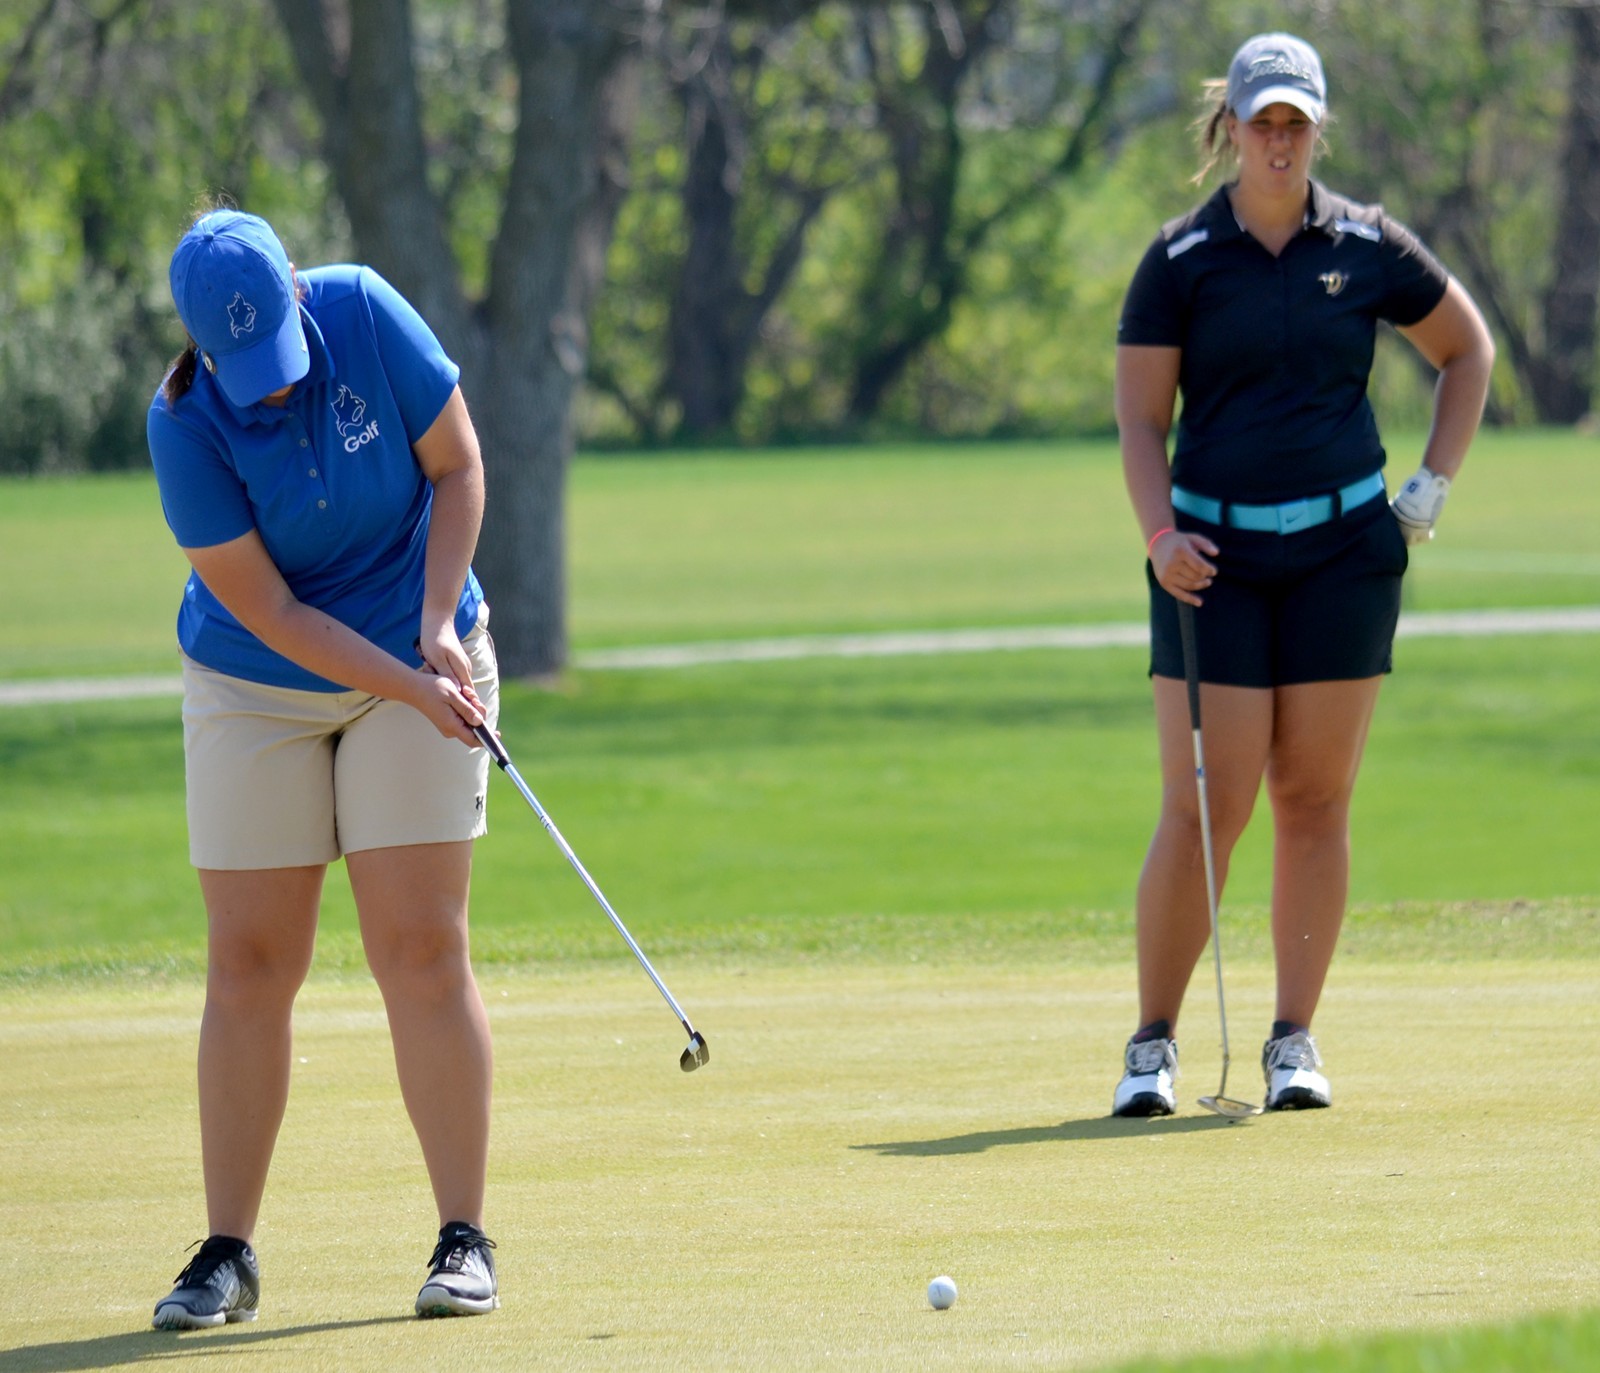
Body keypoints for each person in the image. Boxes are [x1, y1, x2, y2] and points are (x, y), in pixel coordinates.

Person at [1110, 34, 1494, 1116]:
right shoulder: (1181, 259)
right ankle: (1150, 1045)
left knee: (1312, 797)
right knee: (1204, 799)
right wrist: (1157, 535)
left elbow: (1466, 351)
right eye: (1260, 121)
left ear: (1317, 129)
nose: (1277, 141)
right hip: (1208, 560)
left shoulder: (1367, 245)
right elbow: (1142, 423)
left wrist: (1431, 484)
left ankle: (1293, 1041)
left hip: (1341, 554)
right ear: (1227, 127)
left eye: (1295, 123)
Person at [145, 205, 503, 1324]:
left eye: (282, 358)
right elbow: (277, 613)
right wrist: (411, 684)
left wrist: (438, 625)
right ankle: (226, 1252)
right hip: (260, 680)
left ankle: (462, 1237)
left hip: (418, 637)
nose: (276, 387)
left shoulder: (361, 306)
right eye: (244, 370)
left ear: (300, 288)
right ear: (203, 350)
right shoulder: (184, 423)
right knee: (251, 961)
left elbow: (457, 465)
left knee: (420, 943)